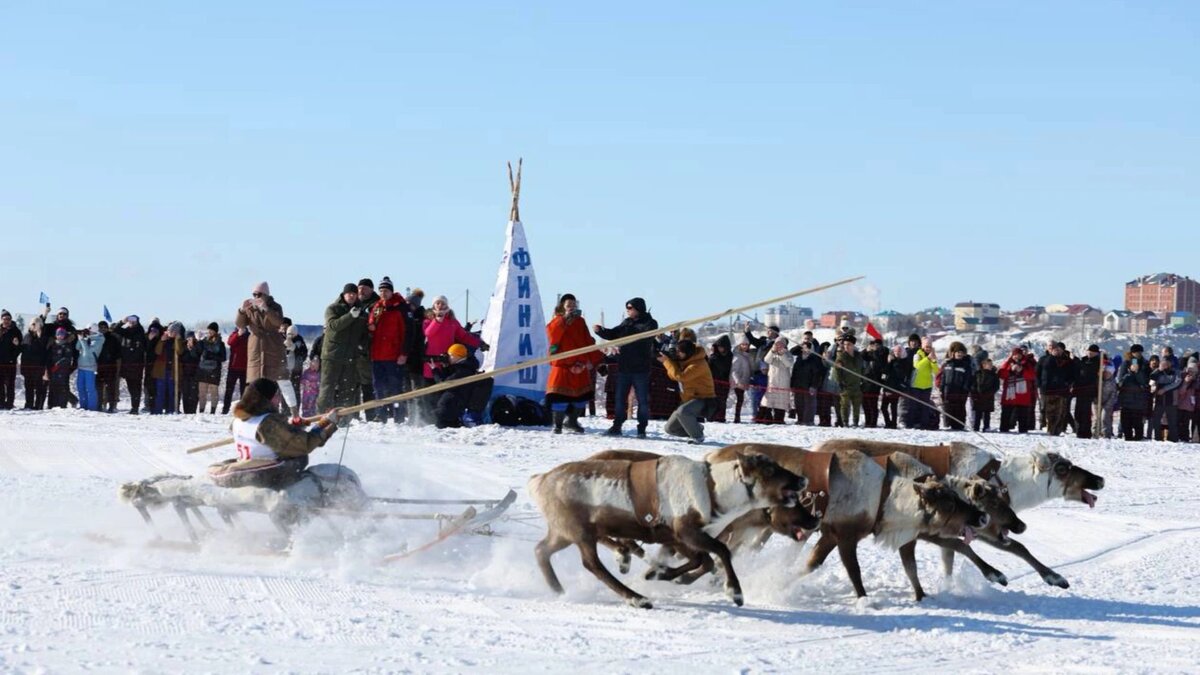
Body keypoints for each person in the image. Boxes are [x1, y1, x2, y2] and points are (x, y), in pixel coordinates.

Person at [207, 378, 340, 489]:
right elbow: (304, 445)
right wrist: (325, 424)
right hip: (266, 473)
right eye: (276, 395)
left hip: (247, 464)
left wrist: (290, 428)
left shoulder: (238, 420)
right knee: (300, 457)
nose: (278, 398)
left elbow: (264, 437)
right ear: (266, 399)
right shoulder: (268, 423)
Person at [593, 297, 658, 438]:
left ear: (638, 308)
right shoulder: (627, 323)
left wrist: (629, 332)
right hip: (625, 367)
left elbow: (643, 336)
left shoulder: (650, 323)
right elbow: (614, 334)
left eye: (630, 308)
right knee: (619, 398)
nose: (628, 311)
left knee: (642, 400)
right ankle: (617, 426)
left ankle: (642, 429)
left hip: (641, 368)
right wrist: (601, 331)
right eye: (627, 308)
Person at [545, 293, 602, 434]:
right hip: (563, 364)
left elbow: (587, 340)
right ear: (562, 307)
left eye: (574, 305)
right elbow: (551, 336)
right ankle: (557, 425)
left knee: (580, 398)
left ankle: (571, 421)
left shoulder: (580, 321)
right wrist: (564, 321)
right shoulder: (556, 321)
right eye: (569, 305)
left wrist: (595, 360)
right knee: (559, 397)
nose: (572, 308)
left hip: (580, 364)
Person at [236, 282, 290, 411]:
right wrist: (242, 311)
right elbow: (240, 325)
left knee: (272, 381)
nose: (255, 297)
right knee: (253, 382)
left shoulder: (276, 307)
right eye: (253, 294)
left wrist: (266, 309)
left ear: (265, 295)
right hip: (255, 347)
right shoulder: (250, 308)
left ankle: (272, 410)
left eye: (258, 294)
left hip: (272, 347)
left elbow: (278, 322)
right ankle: (249, 410)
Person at [319, 283, 370, 415]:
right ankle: (321, 416)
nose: (352, 296)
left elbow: (365, 334)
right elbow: (333, 326)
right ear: (344, 294)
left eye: (354, 293)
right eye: (349, 293)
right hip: (332, 355)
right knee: (327, 388)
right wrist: (350, 316)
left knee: (347, 389)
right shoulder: (333, 308)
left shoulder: (361, 312)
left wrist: (361, 346)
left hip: (350, 357)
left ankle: (344, 418)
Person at [366, 277, 409, 423]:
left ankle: (398, 415)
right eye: (381, 291)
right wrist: (371, 327)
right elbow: (371, 321)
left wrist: (404, 352)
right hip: (377, 354)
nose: (383, 293)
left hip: (394, 354)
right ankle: (381, 415)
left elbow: (407, 332)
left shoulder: (400, 307)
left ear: (391, 291)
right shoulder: (377, 306)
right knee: (379, 388)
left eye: (386, 290)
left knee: (395, 387)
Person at [658, 338, 716, 443]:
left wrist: (667, 362)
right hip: (688, 399)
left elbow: (680, 376)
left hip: (704, 399)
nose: (677, 354)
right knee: (670, 429)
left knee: (682, 412)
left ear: (688, 353)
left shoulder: (698, 364)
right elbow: (675, 371)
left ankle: (698, 437)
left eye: (680, 352)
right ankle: (697, 428)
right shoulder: (685, 360)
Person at [430, 343, 481, 429]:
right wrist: (445, 367)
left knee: (442, 428)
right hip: (452, 405)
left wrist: (435, 370)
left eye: (450, 355)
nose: (448, 358)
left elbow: (444, 384)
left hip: (450, 407)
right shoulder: (465, 367)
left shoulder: (462, 370)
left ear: (457, 356)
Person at [355, 279, 381, 421]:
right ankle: (353, 415)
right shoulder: (354, 304)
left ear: (371, 289)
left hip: (369, 350)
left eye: (364, 288)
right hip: (354, 350)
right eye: (359, 288)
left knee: (367, 384)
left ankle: (370, 415)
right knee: (353, 383)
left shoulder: (376, 304)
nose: (361, 291)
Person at [110, 315, 147, 414]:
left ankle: (135, 407)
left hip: (137, 364)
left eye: (134, 321)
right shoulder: (125, 331)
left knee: (136, 387)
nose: (131, 323)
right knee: (130, 386)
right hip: (126, 364)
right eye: (130, 321)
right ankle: (133, 406)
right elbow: (114, 330)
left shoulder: (140, 331)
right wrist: (122, 321)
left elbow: (142, 343)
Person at [1039, 342, 1076, 436]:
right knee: (1049, 412)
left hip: (1062, 390)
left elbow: (1073, 373)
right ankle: (1050, 430)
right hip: (1048, 390)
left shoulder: (1067, 361)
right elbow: (1039, 372)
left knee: (1061, 412)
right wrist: (1040, 384)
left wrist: (1068, 383)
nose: (1057, 351)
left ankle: (1057, 430)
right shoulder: (1046, 360)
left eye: (1059, 350)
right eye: (1056, 349)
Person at [998, 347, 1035, 433]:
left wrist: (1022, 370)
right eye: (1015, 355)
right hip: (1010, 394)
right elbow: (1001, 374)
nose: (1017, 357)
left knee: (1023, 414)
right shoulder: (1007, 363)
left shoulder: (1027, 364)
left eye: (1019, 355)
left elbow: (1032, 376)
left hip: (1022, 394)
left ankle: (1023, 430)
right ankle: (1004, 429)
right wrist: (1010, 370)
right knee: (1006, 413)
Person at [1117, 348, 1150, 440]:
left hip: (1139, 397)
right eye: (1136, 352)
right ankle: (1126, 435)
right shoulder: (1125, 363)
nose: (1138, 354)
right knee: (1126, 421)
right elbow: (1121, 380)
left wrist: (1137, 372)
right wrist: (1130, 373)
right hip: (1127, 396)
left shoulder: (1144, 363)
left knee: (1138, 422)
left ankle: (1138, 437)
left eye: (1140, 352)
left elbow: (1145, 381)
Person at [938, 342, 972, 431]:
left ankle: (959, 425)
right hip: (947, 391)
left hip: (960, 391)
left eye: (961, 352)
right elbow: (943, 377)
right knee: (947, 408)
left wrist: (965, 390)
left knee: (959, 409)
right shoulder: (947, 364)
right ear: (953, 353)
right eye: (958, 352)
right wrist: (941, 388)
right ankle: (947, 424)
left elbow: (968, 379)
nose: (959, 354)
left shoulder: (966, 366)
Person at [907, 337, 939, 430]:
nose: (928, 348)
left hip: (927, 385)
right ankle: (910, 424)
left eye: (930, 347)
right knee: (913, 406)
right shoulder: (917, 355)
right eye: (926, 347)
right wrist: (927, 359)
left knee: (925, 407)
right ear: (923, 347)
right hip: (916, 384)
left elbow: (936, 371)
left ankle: (924, 424)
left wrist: (933, 361)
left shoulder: (932, 356)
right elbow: (917, 366)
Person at [833, 335, 865, 427]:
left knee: (856, 406)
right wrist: (840, 382)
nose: (846, 346)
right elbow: (837, 371)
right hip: (846, 385)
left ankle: (855, 422)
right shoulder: (841, 357)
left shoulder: (858, 356)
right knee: (845, 405)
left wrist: (863, 380)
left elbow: (862, 369)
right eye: (845, 344)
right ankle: (845, 422)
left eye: (849, 344)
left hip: (857, 385)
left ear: (853, 345)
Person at [789, 340, 823, 425]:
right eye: (804, 347)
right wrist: (792, 385)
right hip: (798, 384)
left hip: (809, 385)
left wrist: (814, 386)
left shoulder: (814, 359)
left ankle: (808, 420)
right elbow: (794, 371)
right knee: (798, 403)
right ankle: (800, 419)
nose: (805, 349)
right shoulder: (799, 358)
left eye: (808, 347)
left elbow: (817, 374)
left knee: (809, 404)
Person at [760, 337, 793, 424]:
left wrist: (782, 355)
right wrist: (772, 351)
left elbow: (788, 363)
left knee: (781, 403)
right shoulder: (772, 353)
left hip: (783, 382)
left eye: (781, 344)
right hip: (772, 381)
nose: (779, 345)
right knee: (768, 402)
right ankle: (767, 419)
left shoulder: (788, 354)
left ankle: (779, 419)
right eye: (777, 343)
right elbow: (766, 360)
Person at [1148, 355, 1181, 442]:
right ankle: (1158, 438)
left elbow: (1177, 382)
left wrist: (1164, 389)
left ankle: (1173, 439)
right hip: (1159, 400)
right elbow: (1151, 378)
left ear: (1170, 363)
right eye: (1163, 362)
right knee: (1156, 420)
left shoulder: (1176, 372)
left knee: (1172, 420)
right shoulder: (1158, 372)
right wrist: (1159, 370)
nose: (1165, 364)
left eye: (1167, 362)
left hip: (1171, 399)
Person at [1072, 344, 1102, 439]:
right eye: (1088, 351)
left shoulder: (1097, 362)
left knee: (1085, 412)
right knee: (1078, 412)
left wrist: (1076, 361)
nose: (1089, 353)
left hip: (1089, 390)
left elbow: (1088, 370)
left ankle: (1085, 433)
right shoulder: (1084, 360)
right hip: (1079, 389)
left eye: (1092, 352)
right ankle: (1078, 431)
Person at [197, 322, 227, 414]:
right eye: (208, 330)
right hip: (203, 370)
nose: (209, 332)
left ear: (215, 331)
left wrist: (211, 356)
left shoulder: (220, 343)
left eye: (211, 330)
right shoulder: (203, 342)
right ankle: (201, 411)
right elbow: (198, 352)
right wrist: (198, 341)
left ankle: (213, 411)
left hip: (214, 370)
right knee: (202, 393)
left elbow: (223, 358)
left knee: (214, 392)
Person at [404, 288, 428, 397]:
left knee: (417, 390)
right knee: (407, 390)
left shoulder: (422, 319)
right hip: (406, 358)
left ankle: (419, 413)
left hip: (417, 358)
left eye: (410, 304)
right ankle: (409, 413)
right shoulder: (405, 317)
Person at [75, 324, 105, 411]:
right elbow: (77, 347)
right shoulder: (86, 338)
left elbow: (89, 352)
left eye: (88, 330)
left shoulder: (99, 339)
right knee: (80, 387)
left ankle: (92, 407)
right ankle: (83, 406)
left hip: (90, 367)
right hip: (81, 366)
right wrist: (80, 338)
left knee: (90, 388)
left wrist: (83, 340)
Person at [21, 317, 48, 410]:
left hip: (39, 367)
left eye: (37, 324)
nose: (34, 326)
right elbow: (23, 351)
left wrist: (40, 336)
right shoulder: (26, 336)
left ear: (40, 326)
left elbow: (44, 350)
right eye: (33, 324)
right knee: (28, 387)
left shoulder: (43, 337)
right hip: (27, 366)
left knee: (39, 388)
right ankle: (28, 404)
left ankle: (38, 405)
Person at [95, 321, 122, 412]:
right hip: (98, 365)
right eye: (101, 327)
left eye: (104, 327)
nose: (103, 329)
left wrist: (116, 363)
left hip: (110, 365)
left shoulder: (113, 338)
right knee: (98, 387)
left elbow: (118, 352)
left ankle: (111, 405)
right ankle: (99, 404)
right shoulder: (96, 337)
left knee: (110, 387)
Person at [45, 327, 74, 409]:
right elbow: (49, 356)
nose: (60, 336)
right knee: (52, 387)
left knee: (62, 387)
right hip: (53, 370)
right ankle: (51, 404)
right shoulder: (53, 345)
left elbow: (67, 358)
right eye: (58, 334)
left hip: (62, 370)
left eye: (62, 334)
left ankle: (62, 404)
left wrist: (58, 365)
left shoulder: (67, 345)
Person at [860, 339, 887, 427]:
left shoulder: (883, 352)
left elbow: (879, 361)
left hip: (875, 382)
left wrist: (875, 351)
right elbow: (862, 355)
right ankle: (867, 421)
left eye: (876, 345)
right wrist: (867, 349)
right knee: (865, 404)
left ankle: (873, 422)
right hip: (865, 381)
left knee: (873, 404)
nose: (874, 346)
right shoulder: (870, 354)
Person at [223, 325, 248, 415]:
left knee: (244, 391)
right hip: (233, 367)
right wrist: (238, 334)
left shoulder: (249, 336)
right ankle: (225, 409)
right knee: (229, 390)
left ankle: (243, 410)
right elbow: (230, 342)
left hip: (245, 368)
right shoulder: (234, 334)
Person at [707, 335, 733, 423]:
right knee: (712, 400)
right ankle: (711, 417)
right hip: (713, 382)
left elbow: (725, 368)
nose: (719, 348)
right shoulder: (714, 356)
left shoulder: (730, 356)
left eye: (721, 347)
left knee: (722, 401)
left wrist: (715, 359)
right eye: (718, 347)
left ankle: (721, 417)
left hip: (724, 382)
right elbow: (708, 367)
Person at [0, 310, 21, 409]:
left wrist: (14, 355)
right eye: (4, 319)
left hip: (10, 362)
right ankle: (1, 402)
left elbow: (20, 347)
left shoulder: (15, 331)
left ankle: (9, 403)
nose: (6, 321)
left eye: (8, 319)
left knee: (10, 384)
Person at [971, 357, 999, 431]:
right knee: (978, 413)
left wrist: (991, 393)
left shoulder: (994, 375)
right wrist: (974, 392)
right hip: (978, 396)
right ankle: (976, 427)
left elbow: (996, 386)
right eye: (988, 364)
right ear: (983, 365)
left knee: (987, 413)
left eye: (991, 364)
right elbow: (973, 384)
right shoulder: (978, 373)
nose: (990, 366)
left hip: (988, 397)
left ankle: (986, 427)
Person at [285, 324, 308, 415]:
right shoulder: (283, 339)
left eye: (292, 334)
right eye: (289, 334)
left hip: (296, 370)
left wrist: (295, 348)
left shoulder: (300, 340)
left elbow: (303, 354)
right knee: (286, 390)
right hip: (285, 369)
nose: (290, 336)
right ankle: (285, 410)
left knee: (295, 390)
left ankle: (296, 410)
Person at [881, 345, 905, 429]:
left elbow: (900, 375)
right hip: (887, 386)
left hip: (895, 388)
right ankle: (888, 422)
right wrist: (889, 362)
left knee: (893, 408)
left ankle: (894, 424)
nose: (897, 353)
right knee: (883, 407)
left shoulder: (902, 362)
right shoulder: (890, 361)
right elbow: (885, 372)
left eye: (899, 351)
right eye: (896, 351)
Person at [729, 339, 752, 423]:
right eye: (743, 344)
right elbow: (734, 370)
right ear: (739, 345)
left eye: (746, 344)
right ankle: (737, 417)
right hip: (738, 382)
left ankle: (737, 417)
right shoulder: (737, 356)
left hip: (744, 380)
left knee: (740, 399)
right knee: (739, 399)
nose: (745, 346)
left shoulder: (747, 355)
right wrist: (738, 382)